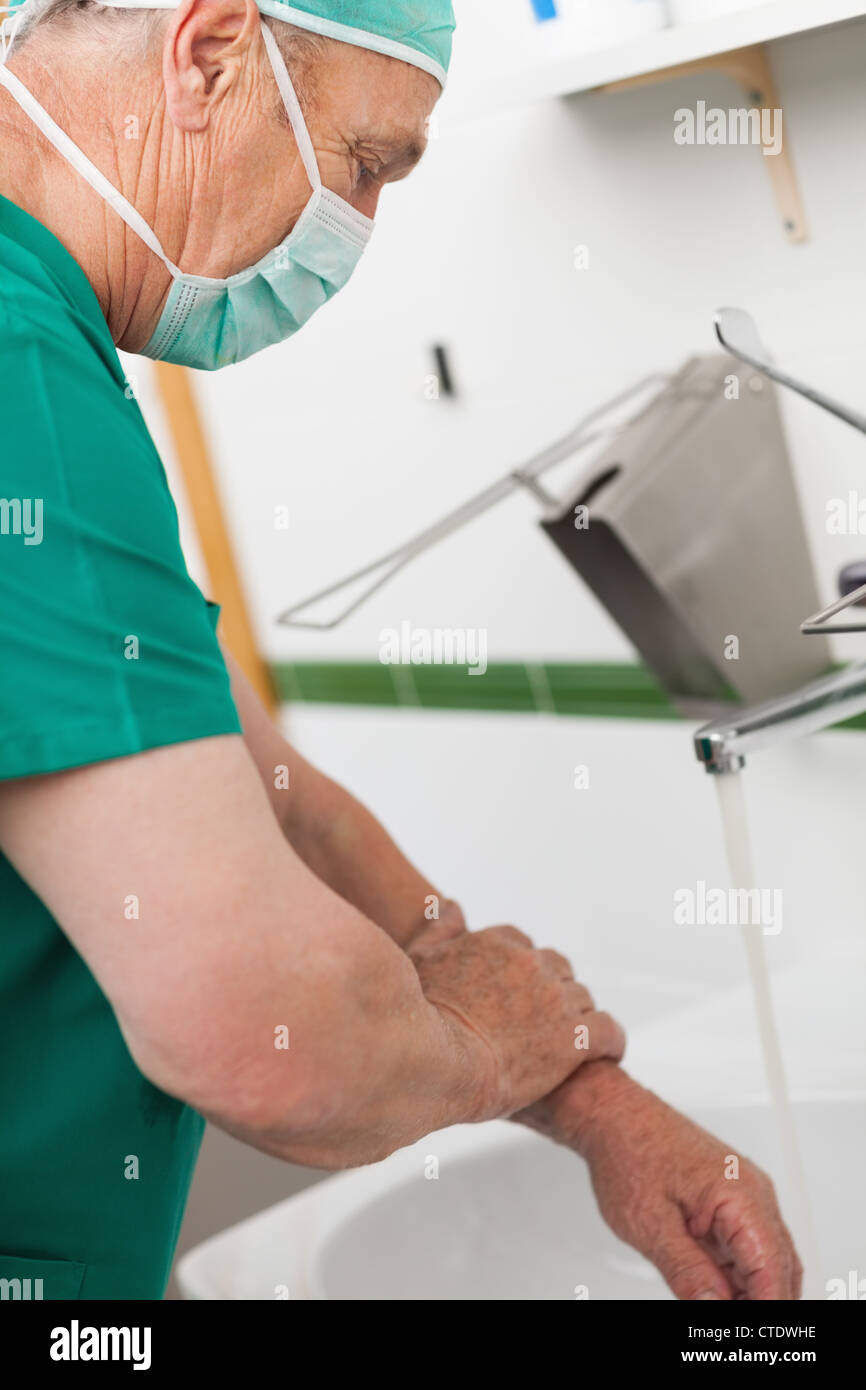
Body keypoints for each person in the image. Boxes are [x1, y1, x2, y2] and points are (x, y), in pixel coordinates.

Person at [0, 0, 801, 1300]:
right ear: (205, 54)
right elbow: (260, 1042)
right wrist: (492, 1044)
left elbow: (275, 799)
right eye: (366, 164)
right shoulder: (18, 372)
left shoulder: (45, 348)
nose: (355, 232)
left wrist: (591, 1101)